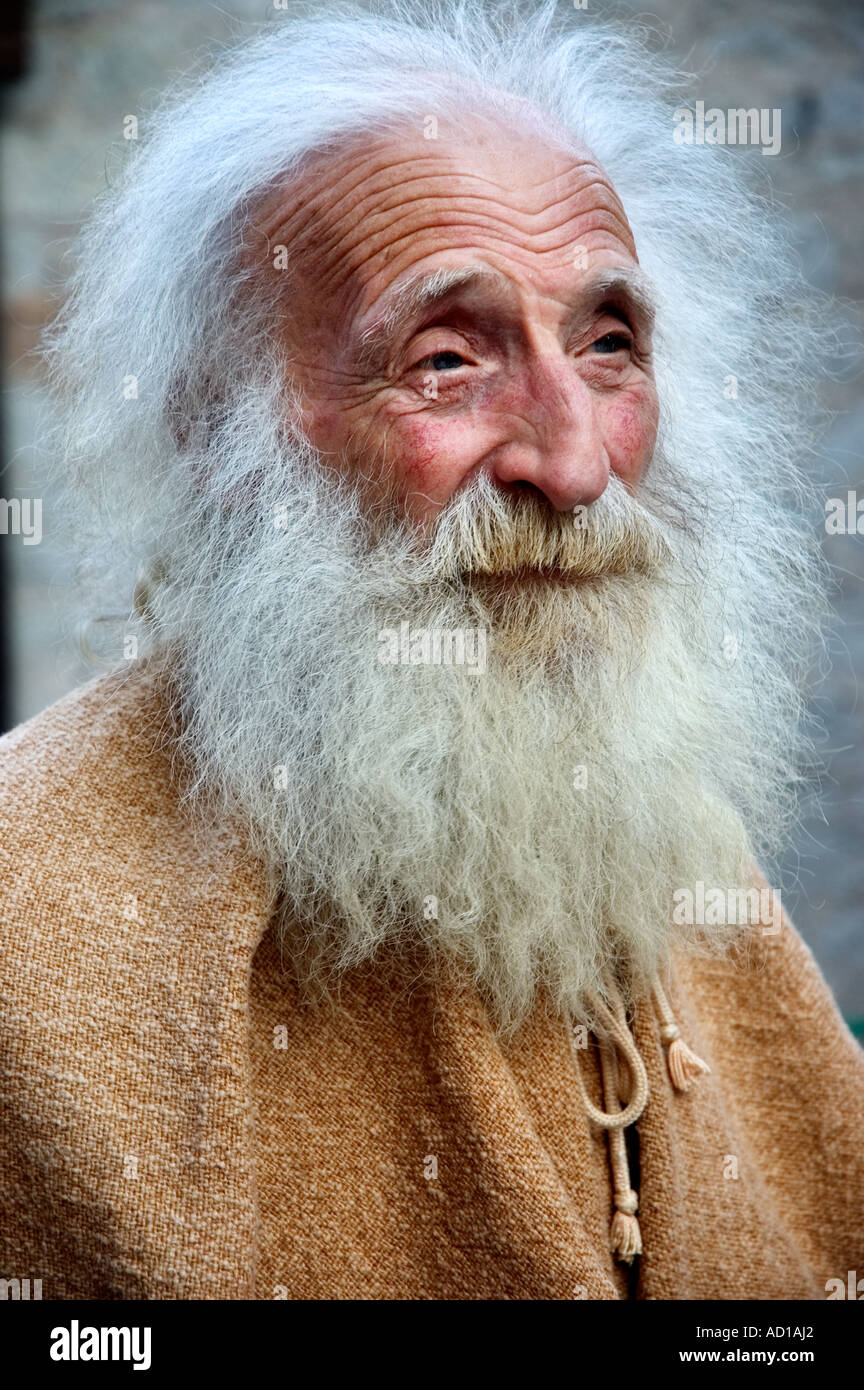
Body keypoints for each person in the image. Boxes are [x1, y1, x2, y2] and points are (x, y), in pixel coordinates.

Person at [1, 0, 862, 1300]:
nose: (574, 466)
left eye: (608, 342)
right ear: (219, 437)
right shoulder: (32, 931)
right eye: (448, 359)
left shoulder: (661, 832)